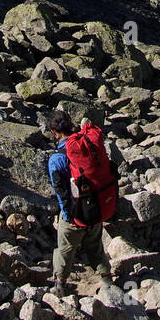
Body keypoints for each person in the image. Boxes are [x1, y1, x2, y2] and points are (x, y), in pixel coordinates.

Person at [46, 108, 112, 295]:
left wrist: (67, 215)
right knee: (95, 245)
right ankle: (107, 280)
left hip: (75, 213)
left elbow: (61, 192)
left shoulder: (56, 159)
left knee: (65, 250)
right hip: (96, 207)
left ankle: (60, 285)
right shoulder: (86, 146)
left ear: (53, 132)